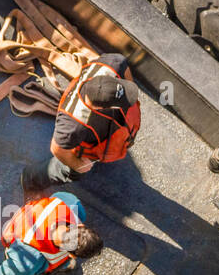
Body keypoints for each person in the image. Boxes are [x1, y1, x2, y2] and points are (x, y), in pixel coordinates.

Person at [21, 53, 141, 194]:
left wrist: (128, 89)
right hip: (86, 145)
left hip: (110, 130)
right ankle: (30, 180)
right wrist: (78, 165)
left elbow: (124, 67)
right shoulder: (73, 126)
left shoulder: (113, 63)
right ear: (100, 108)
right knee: (68, 170)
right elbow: (57, 148)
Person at [0, 192, 102, 275]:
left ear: (80, 226)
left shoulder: (69, 204)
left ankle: (64, 264)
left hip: (27, 221)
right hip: (17, 245)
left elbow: (61, 196)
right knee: (4, 266)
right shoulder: (29, 260)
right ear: (72, 255)